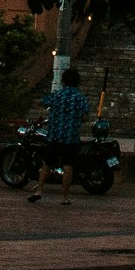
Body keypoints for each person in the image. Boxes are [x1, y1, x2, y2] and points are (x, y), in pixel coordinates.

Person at [29, 73, 88, 205]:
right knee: (68, 167)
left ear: (63, 81)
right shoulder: (80, 98)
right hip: (71, 138)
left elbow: (43, 102)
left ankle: (39, 191)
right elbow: (85, 117)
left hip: (55, 135)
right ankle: (65, 197)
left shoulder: (57, 95)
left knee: (47, 164)